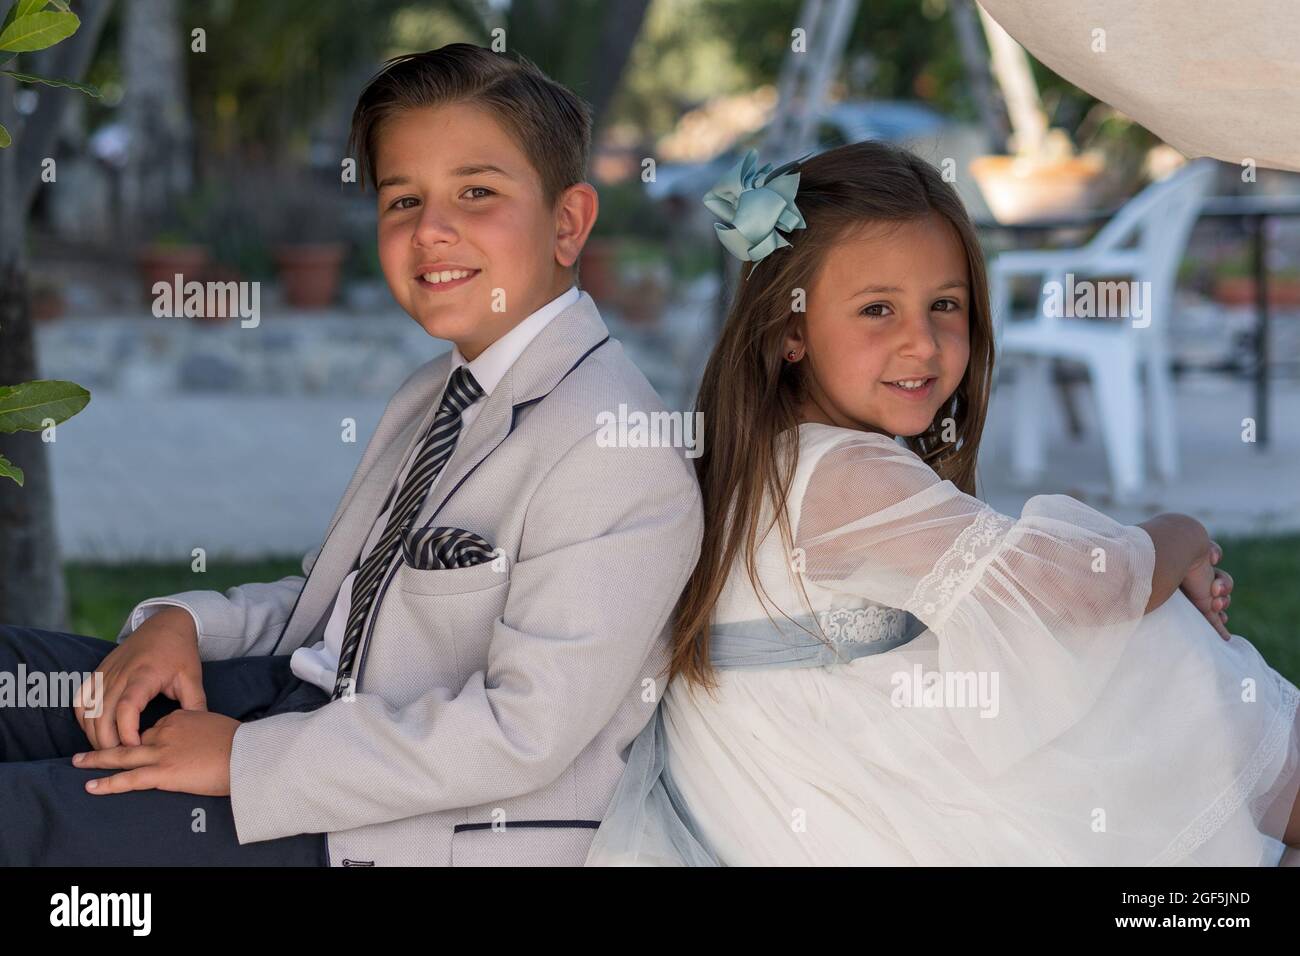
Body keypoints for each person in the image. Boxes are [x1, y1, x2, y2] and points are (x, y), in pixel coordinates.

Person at [0, 43, 702, 867]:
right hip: (297, 705)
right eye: (403, 199)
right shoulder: (439, 390)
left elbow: (521, 735)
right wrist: (184, 621)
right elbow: (332, 601)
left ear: (569, 222)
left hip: (396, 823)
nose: (431, 230)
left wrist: (238, 759)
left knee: (25, 818)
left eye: (477, 192)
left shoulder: (612, 445)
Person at [586, 141, 1300, 866]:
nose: (921, 343)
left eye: (944, 306)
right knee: (1154, 641)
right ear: (790, 329)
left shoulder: (765, 455)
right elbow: (1072, 587)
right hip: (857, 808)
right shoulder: (843, 469)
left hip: (787, 786)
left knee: (1107, 636)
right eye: (876, 310)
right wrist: (1181, 535)